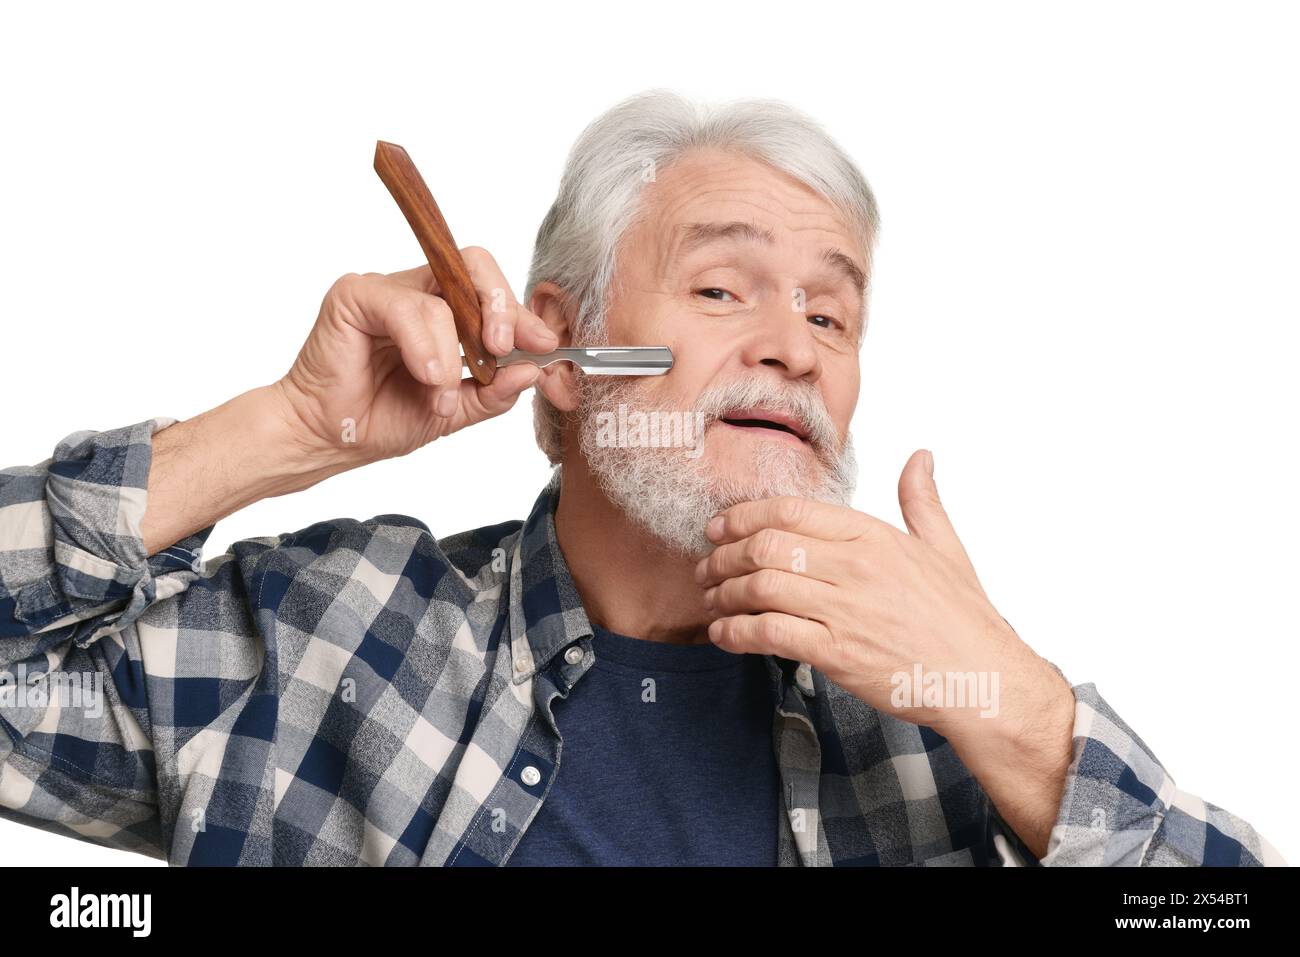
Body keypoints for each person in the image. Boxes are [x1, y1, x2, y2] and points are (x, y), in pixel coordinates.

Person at [0, 90, 1283, 866]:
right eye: (723, 289)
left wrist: (1015, 706)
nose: (791, 346)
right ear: (566, 353)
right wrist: (284, 431)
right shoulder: (324, 637)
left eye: (832, 322)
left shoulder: (943, 738)